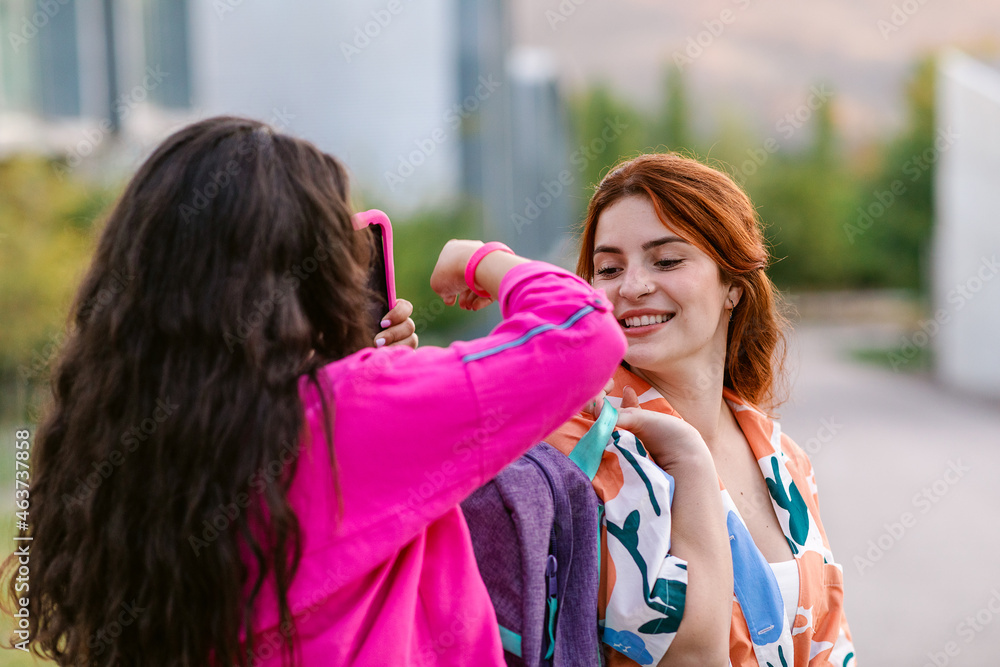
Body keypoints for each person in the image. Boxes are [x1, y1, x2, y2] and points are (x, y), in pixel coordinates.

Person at [2, 116, 626, 667]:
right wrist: (479, 259)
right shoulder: (350, 410)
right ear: (313, 274)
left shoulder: (126, 435)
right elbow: (583, 330)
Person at [549, 153, 855, 667]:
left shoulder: (786, 459)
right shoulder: (577, 447)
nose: (632, 286)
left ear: (733, 285)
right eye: (609, 268)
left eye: (666, 260)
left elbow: (830, 641)